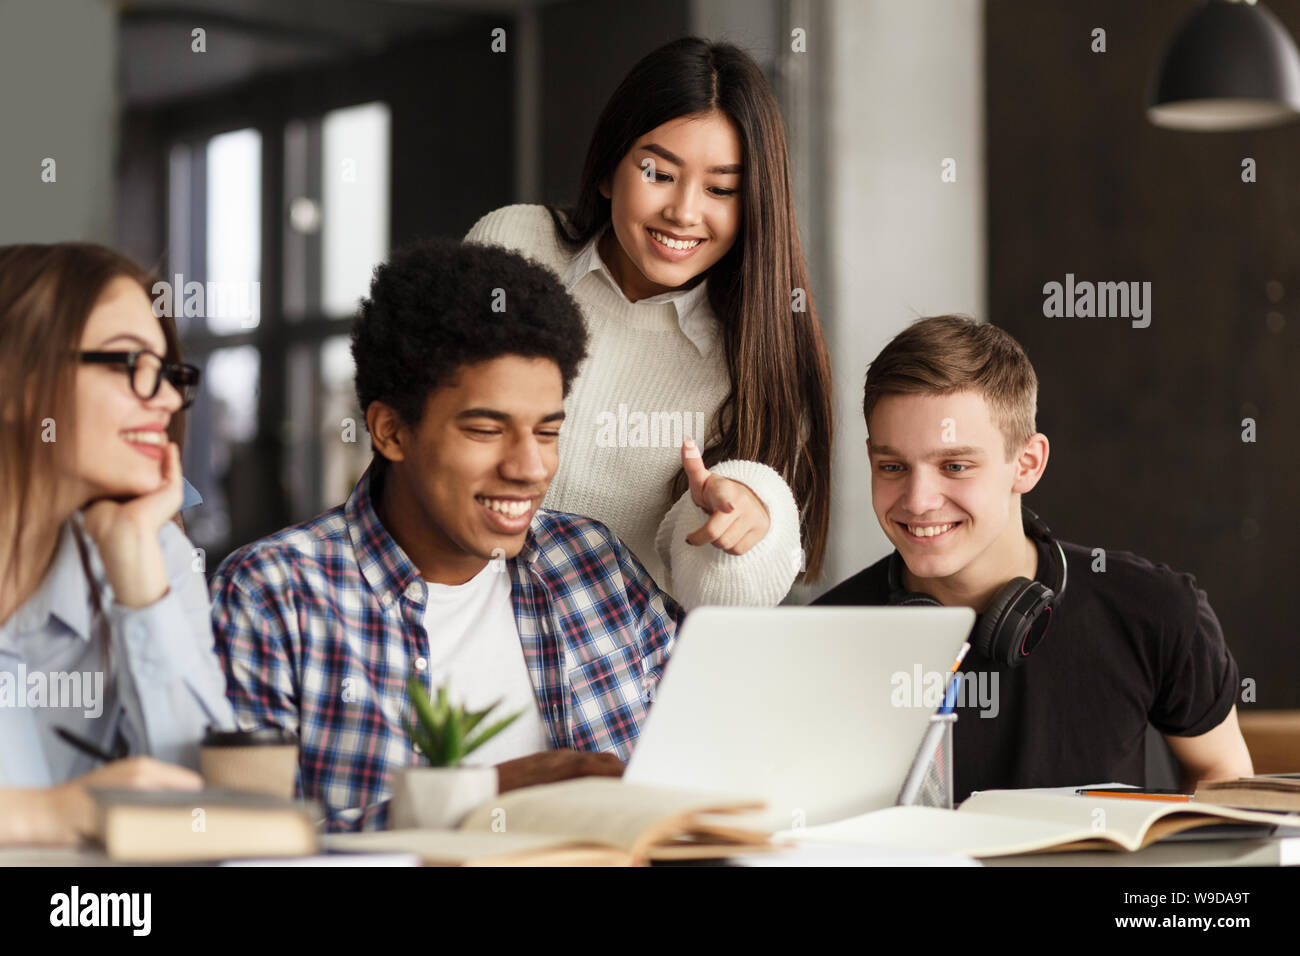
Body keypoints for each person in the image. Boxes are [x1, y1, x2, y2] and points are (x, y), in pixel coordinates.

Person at [209, 240, 683, 832]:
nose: (530, 468)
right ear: (390, 431)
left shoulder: (593, 565)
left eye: (546, 432)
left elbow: (698, 773)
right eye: (486, 430)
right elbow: (240, 844)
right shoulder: (273, 593)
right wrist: (487, 796)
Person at [814, 315, 1253, 800]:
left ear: (1027, 464)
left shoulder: (1157, 610)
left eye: (955, 465)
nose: (917, 500)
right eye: (892, 466)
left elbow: (1223, 779)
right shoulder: (822, 637)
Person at [465, 36, 834, 609]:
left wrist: (745, 530)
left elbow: (715, 602)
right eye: (659, 173)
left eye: (721, 189)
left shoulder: (755, 354)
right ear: (609, 171)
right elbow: (419, 435)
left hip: (608, 676)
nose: (684, 211)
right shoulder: (515, 246)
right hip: (445, 627)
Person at [0, 243, 234, 845]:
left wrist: (138, 572)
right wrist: (51, 813)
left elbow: (208, 815)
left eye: (169, 373)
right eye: (131, 363)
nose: (165, 400)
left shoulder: (157, 554)